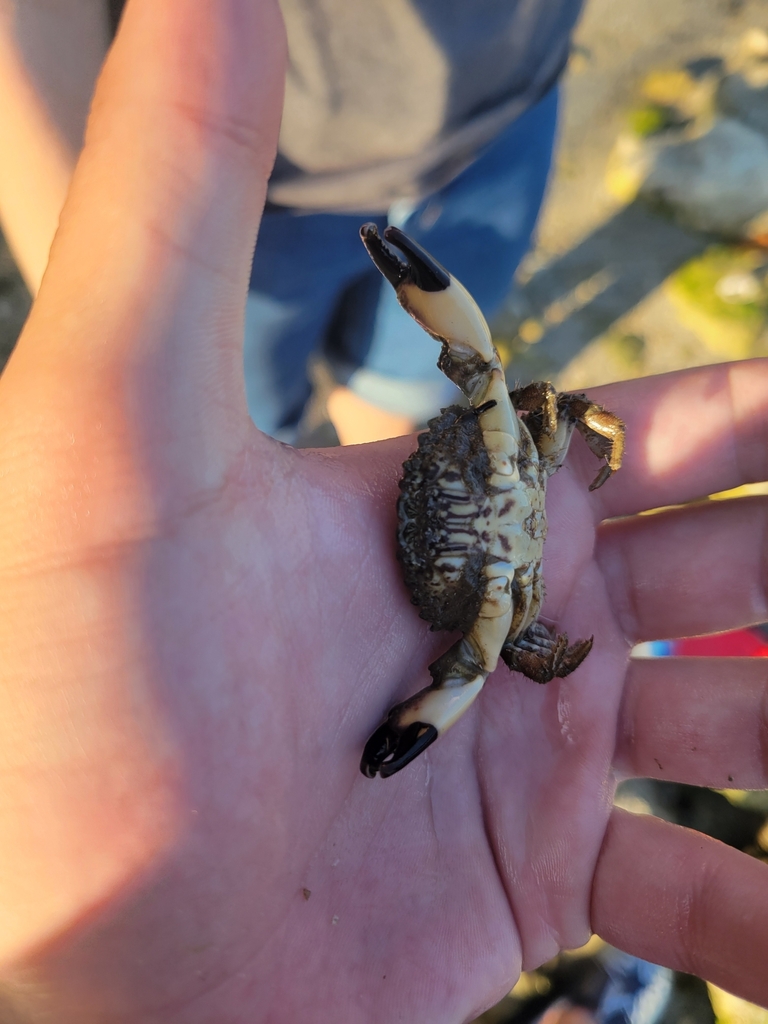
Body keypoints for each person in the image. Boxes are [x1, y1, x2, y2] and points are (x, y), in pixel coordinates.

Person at [0, 2, 767, 1022]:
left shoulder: (501, 550)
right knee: (408, 431)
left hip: (498, 138)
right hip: (472, 538)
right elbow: (494, 622)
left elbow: (496, 644)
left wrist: (479, 684)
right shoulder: (504, 525)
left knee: (481, 508)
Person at [0, 0, 572, 445]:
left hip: (504, 112)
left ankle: (390, 467)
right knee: (229, 421)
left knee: (409, 392)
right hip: (232, 196)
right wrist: (106, 331)